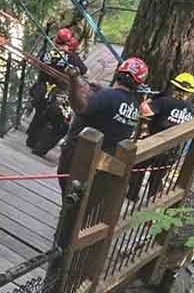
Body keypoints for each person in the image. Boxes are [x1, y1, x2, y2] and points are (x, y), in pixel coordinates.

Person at [56, 57, 149, 195]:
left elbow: (80, 107)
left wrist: (73, 81)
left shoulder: (107, 96)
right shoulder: (134, 105)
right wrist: (101, 91)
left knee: (70, 191)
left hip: (78, 155)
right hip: (105, 162)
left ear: (118, 73)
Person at [129, 72, 194, 202]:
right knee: (157, 178)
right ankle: (152, 203)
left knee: (137, 169)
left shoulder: (165, 101)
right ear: (189, 93)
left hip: (154, 144)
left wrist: (149, 99)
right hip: (172, 150)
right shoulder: (190, 109)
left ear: (175, 87)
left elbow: (144, 110)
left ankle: (132, 196)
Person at [26, 28, 86, 148]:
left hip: (41, 89)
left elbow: (40, 66)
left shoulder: (47, 54)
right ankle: (40, 144)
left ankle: (31, 138)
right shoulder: (71, 58)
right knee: (58, 119)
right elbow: (83, 70)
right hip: (58, 93)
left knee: (39, 113)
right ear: (69, 42)